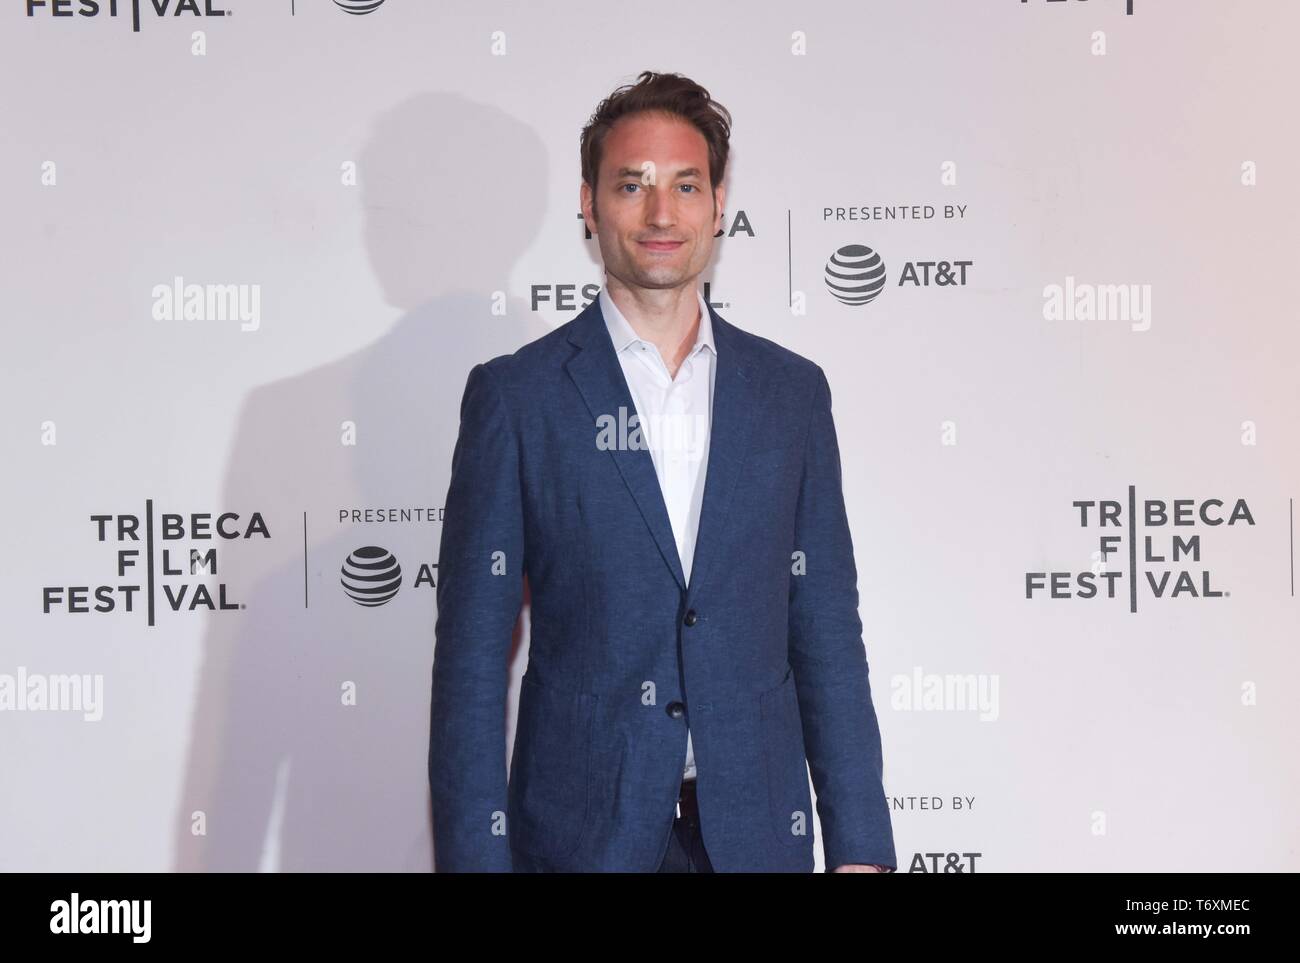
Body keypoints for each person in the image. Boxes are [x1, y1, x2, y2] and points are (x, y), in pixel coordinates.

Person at [428, 70, 896, 873]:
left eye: (685, 184)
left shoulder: (791, 395)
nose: (659, 212)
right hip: (580, 840)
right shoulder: (517, 398)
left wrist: (859, 846)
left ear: (719, 205)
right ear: (588, 204)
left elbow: (825, 629)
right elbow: (472, 659)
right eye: (630, 185)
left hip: (754, 840)